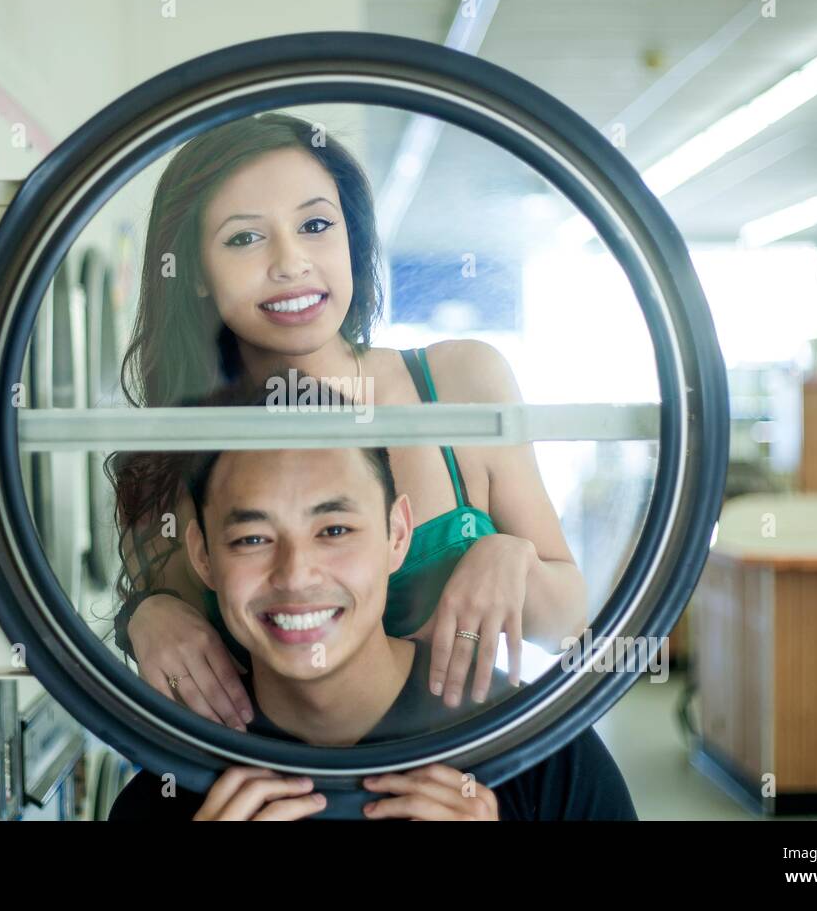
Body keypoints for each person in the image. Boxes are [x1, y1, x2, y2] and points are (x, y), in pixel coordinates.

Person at [107, 111, 588, 733]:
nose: (290, 264)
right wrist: (147, 616)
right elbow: (176, 679)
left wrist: (510, 557)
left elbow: (569, 621)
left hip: (467, 772)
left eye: (315, 225)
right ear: (193, 270)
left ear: (351, 240)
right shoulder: (171, 458)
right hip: (280, 789)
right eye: (244, 238)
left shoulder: (460, 384)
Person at [107, 382, 636, 821]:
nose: (295, 575)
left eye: (334, 529)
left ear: (398, 534)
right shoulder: (166, 796)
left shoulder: (539, 754)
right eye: (253, 539)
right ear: (203, 556)